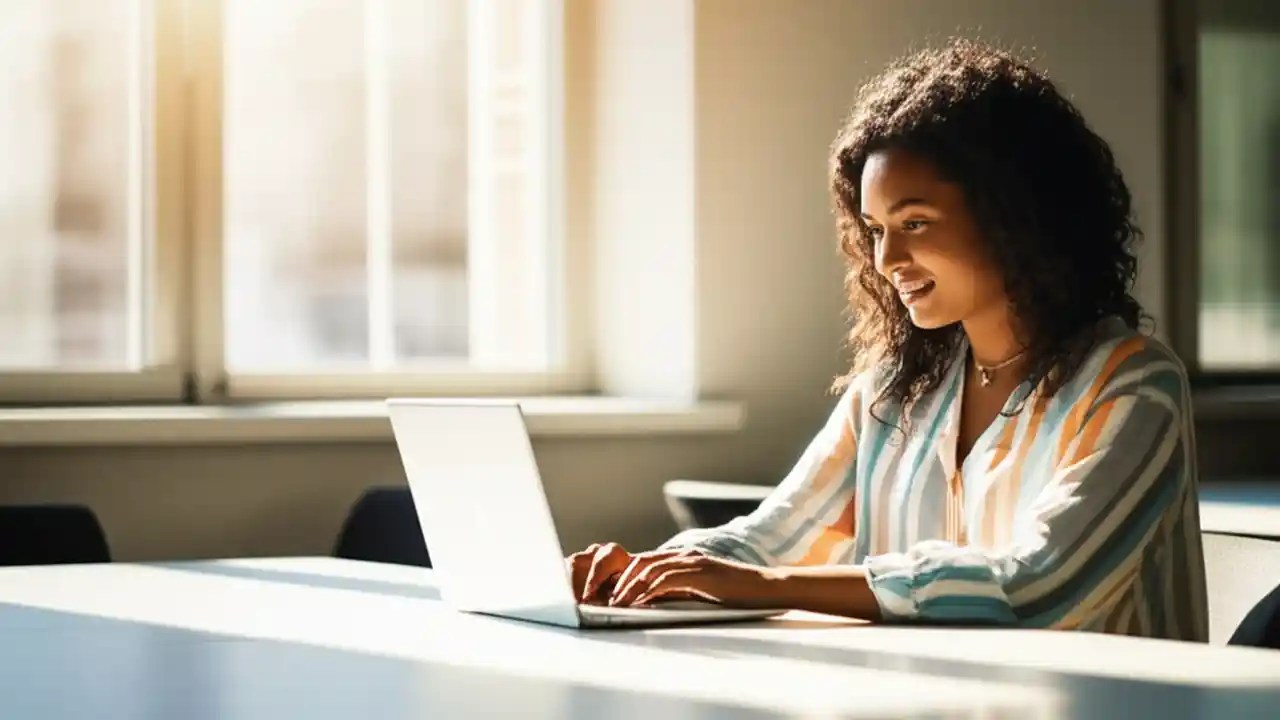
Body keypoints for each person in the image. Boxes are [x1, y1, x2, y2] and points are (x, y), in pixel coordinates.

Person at [566, 39, 1208, 641]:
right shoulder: (893, 393)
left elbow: (1039, 586)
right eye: (873, 228)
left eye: (916, 223)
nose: (886, 257)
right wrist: (645, 571)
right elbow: (770, 539)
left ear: (1018, 217)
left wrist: (762, 585)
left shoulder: (1134, 384)